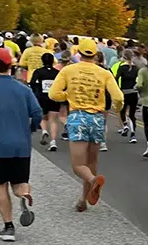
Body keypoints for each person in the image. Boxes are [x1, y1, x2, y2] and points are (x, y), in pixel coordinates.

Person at [48, 38, 124, 212]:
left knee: (78, 165)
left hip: (78, 117)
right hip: (97, 118)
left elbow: (53, 93)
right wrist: (117, 109)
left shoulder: (68, 70)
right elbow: (118, 97)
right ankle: (83, 199)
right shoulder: (104, 73)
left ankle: (93, 181)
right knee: (91, 162)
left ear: (79, 53)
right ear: (96, 54)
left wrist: (68, 96)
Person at [0, 48, 42, 242]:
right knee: (19, 181)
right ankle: (23, 194)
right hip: (21, 145)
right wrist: (30, 128)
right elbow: (37, 113)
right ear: (10, 66)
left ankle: (8, 227)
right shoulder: (23, 89)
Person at [29, 53, 62, 152]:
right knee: (53, 120)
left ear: (42, 61)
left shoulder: (38, 72)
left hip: (42, 98)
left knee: (43, 117)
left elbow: (32, 83)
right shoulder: (57, 73)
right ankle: (53, 141)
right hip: (54, 98)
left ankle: (44, 130)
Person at [115, 49, 140, 144]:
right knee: (132, 114)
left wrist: (118, 89)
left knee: (122, 111)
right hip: (133, 93)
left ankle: (125, 125)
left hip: (124, 92)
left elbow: (116, 78)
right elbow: (138, 80)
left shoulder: (122, 68)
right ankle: (133, 135)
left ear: (123, 57)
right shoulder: (136, 68)